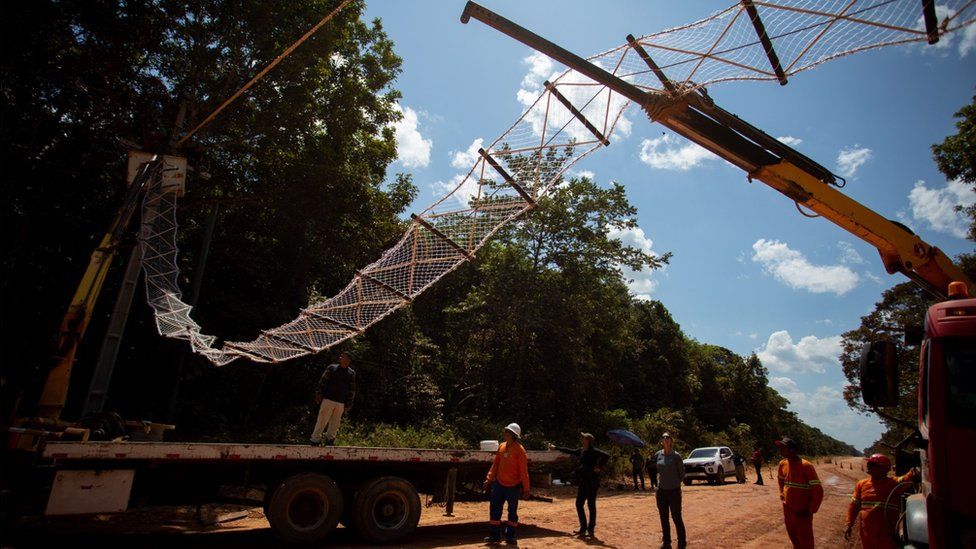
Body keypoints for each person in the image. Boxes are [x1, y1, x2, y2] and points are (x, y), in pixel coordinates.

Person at [844, 454, 916, 549]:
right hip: (867, 533)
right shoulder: (861, 484)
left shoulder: (893, 483)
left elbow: (905, 478)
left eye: (872, 464)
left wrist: (914, 471)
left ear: (884, 469)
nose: (868, 465)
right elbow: (854, 506)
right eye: (869, 463)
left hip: (887, 534)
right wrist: (849, 524)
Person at [549, 432, 609, 539]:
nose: (582, 440)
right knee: (579, 504)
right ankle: (583, 528)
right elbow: (569, 450)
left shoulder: (593, 451)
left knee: (591, 505)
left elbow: (606, 455)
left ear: (588, 441)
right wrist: (556, 447)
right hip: (584, 481)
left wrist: (599, 466)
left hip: (593, 481)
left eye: (584, 438)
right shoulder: (581, 451)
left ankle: (590, 529)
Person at [483, 423, 531, 545]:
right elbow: (495, 465)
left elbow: (524, 472)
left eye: (507, 432)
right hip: (499, 484)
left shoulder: (520, 451)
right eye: (505, 431)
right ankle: (495, 536)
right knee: (494, 509)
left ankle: (510, 537)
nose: (505, 433)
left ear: (513, 435)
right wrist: (489, 480)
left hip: (513, 487)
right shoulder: (501, 446)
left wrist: (526, 489)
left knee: (512, 511)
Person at [776, 437, 823, 549]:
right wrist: (782, 493)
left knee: (805, 539)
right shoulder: (782, 464)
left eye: (784, 448)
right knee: (793, 536)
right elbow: (780, 479)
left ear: (792, 450)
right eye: (780, 447)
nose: (781, 450)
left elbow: (818, 490)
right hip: (788, 507)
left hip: (802, 510)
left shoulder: (806, 466)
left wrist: (811, 510)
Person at [309, 351, 356, 446]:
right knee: (322, 420)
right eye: (340, 356)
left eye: (342, 357)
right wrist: (318, 394)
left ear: (348, 360)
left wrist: (350, 402)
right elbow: (323, 381)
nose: (340, 358)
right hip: (328, 399)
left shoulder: (351, 373)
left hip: (341, 401)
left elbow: (352, 389)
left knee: (335, 422)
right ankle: (315, 439)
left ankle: (330, 440)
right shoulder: (332, 368)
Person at [653, 432, 686, 549]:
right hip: (661, 491)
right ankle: (667, 543)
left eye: (668, 437)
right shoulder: (658, 455)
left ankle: (682, 543)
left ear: (671, 441)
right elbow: (655, 470)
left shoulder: (676, 456)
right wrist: (657, 485)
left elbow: (682, 474)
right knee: (663, 517)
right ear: (661, 441)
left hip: (674, 491)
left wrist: (675, 483)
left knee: (676, 517)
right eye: (664, 437)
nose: (666, 439)